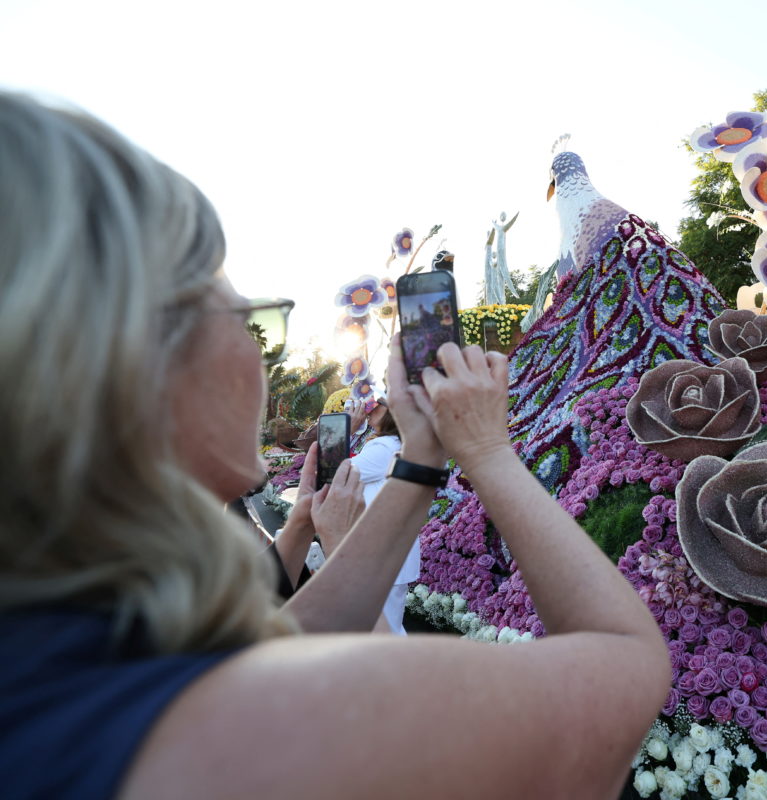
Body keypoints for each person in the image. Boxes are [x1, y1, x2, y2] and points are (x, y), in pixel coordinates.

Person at [0, 93, 670, 799]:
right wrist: (489, 453)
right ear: (134, 359)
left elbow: (290, 636)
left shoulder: (66, 659)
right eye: (249, 319)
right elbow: (625, 669)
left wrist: (424, 458)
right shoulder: (245, 733)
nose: (262, 357)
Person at [347, 396, 421, 634]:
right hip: (387, 550)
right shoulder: (392, 444)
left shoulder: (385, 448)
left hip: (383, 551)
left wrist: (346, 430)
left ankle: (403, 670)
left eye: (376, 406)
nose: (368, 410)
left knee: (385, 629)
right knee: (387, 627)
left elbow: (334, 472)